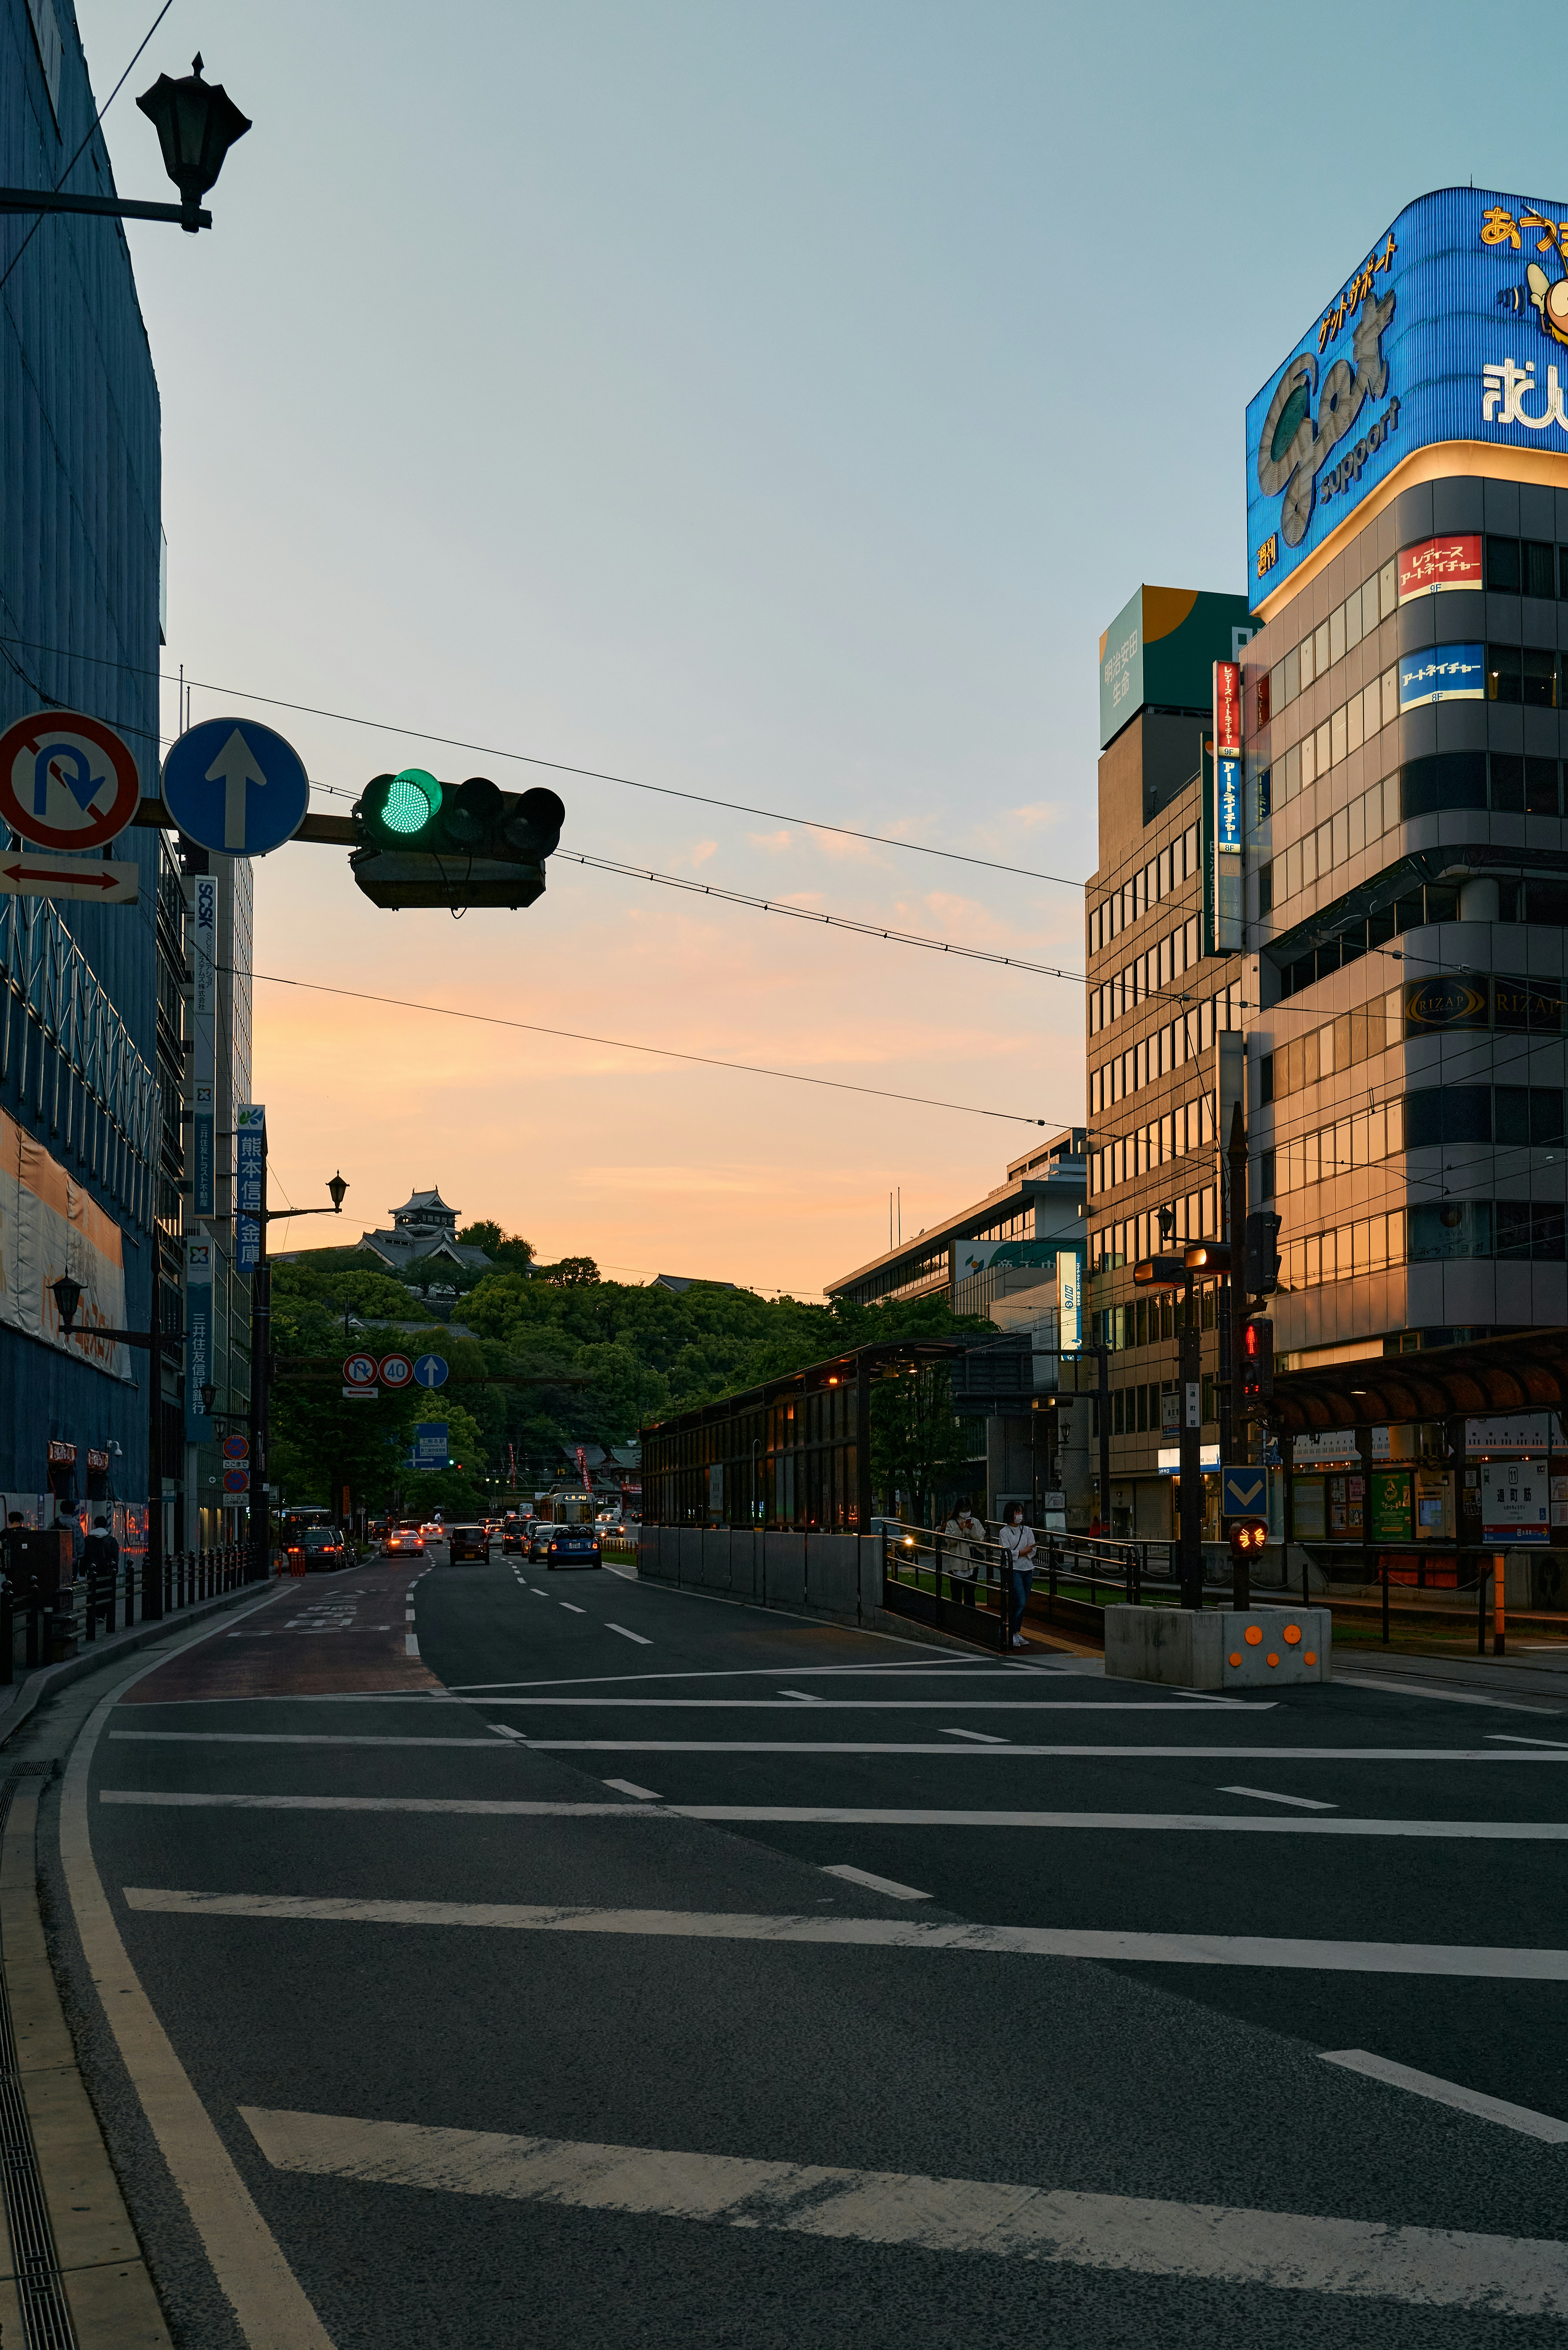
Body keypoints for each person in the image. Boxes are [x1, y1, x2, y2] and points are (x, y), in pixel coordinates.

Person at [999, 1501, 1037, 1648]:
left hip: (1027, 1569)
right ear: (1011, 1514)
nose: (1020, 1515)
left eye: (1021, 1512)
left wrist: (1023, 1553)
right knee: (1020, 1601)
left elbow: (1033, 1549)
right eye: (1017, 1512)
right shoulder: (1004, 1532)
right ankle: (1013, 1632)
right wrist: (1021, 1553)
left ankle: (1016, 1632)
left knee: (1022, 1602)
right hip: (1014, 1570)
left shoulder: (1027, 1530)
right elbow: (1006, 1552)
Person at [939, 1500, 982, 1607]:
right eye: (963, 1510)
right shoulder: (952, 1523)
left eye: (967, 1510)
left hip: (972, 1563)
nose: (965, 1513)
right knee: (956, 1595)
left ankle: (970, 1617)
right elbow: (949, 1541)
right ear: (958, 1510)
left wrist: (972, 1530)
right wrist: (959, 1530)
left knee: (970, 1594)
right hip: (956, 1563)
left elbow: (981, 1539)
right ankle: (956, 1618)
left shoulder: (975, 1522)